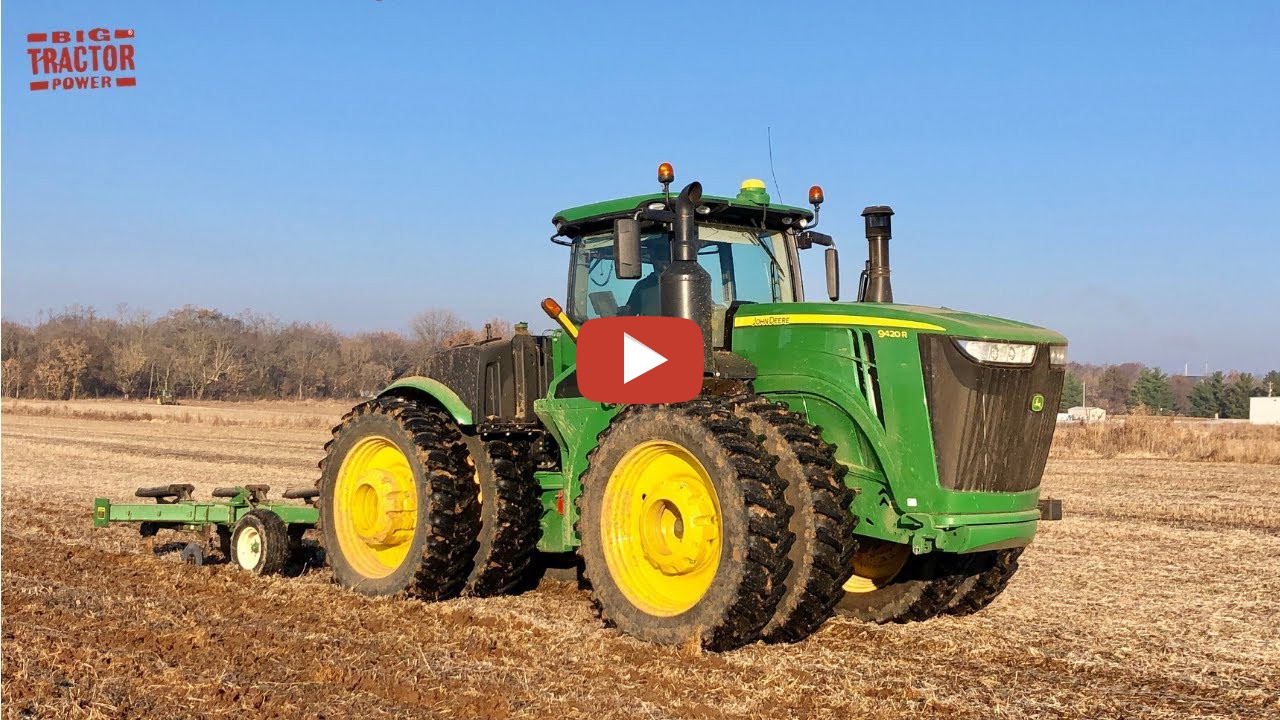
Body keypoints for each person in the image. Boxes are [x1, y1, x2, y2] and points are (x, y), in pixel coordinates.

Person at [622, 236, 670, 316]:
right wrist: (623, 312)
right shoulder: (642, 286)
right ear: (652, 257)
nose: (665, 260)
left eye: (668, 255)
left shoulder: (686, 284)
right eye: (660, 254)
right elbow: (629, 314)